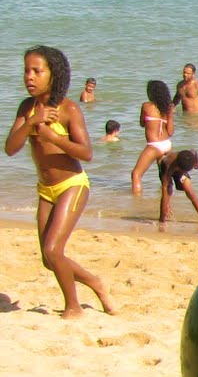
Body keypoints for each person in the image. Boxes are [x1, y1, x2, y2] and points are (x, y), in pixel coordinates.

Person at [5, 45, 114, 317]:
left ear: (53, 75)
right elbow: (10, 148)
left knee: (54, 250)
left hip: (72, 185)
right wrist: (31, 123)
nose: (29, 77)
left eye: (36, 71)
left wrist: (53, 137)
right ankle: (95, 282)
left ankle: (73, 306)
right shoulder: (27, 108)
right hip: (46, 190)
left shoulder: (68, 109)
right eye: (26, 71)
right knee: (48, 258)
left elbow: (86, 153)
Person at [130, 79, 174, 195]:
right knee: (164, 176)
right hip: (167, 144)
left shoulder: (146, 106)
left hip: (154, 145)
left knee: (136, 174)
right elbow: (170, 132)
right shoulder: (168, 108)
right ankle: (167, 199)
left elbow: (142, 123)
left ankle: (137, 201)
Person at [157, 149, 198, 228]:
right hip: (166, 168)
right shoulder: (167, 164)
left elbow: (194, 151)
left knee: (189, 191)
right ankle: (162, 220)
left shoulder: (191, 155)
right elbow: (165, 188)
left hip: (180, 166)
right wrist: (164, 208)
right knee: (168, 190)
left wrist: (197, 162)